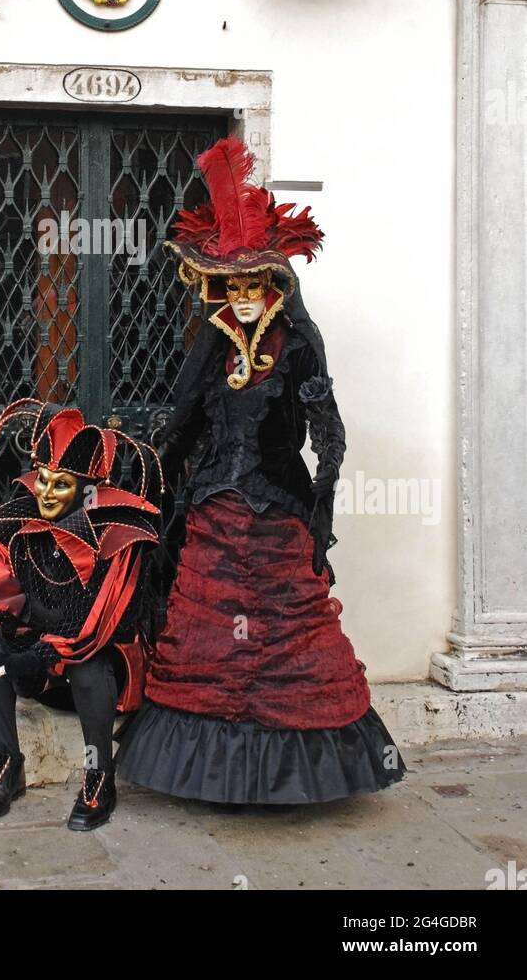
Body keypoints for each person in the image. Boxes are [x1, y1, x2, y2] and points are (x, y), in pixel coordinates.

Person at [115, 137, 407, 805]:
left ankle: (289, 778)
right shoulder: (213, 346)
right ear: (219, 289)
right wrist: (147, 479)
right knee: (211, 648)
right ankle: (216, 774)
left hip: (275, 515)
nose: (244, 298)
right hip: (215, 514)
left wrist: (321, 504)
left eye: (255, 286)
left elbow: (328, 430)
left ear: (275, 286)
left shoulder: (300, 347)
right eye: (233, 287)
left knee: (287, 645)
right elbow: (183, 421)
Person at [0, 398, 160, 829]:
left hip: (97, 669)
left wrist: (38, 655)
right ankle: (6, 764)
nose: (46, 496)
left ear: (85, 488)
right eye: (43, 482)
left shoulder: (119, 534)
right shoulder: (17, 520)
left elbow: (97, 624)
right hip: (42, 668)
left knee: (89, 665)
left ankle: (98, 777)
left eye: (61, 486)